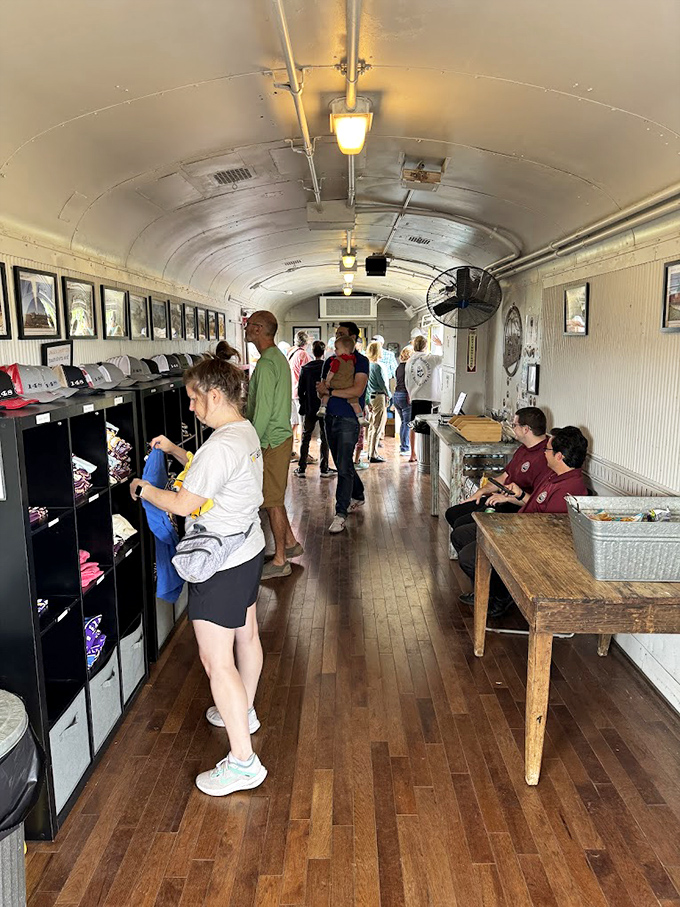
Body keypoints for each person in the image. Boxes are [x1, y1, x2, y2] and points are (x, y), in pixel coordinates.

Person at [129, 354, 267, 797]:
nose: (190, 407)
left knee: (215, 661)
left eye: (192, 399)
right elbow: (210, 473)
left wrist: (144, 489)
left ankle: (243, 762)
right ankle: (243, 711)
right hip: (246, 551)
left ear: (213, 394)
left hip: (218, 564)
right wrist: (173, 450)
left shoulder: (220, 445)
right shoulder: (241, 433)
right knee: (247, 636)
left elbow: (186, 503)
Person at [457, 426, 589, 617]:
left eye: (548, 450)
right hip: (519, 525)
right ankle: (490, 590)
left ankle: (500, 598)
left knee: (468, 557)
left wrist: (505, 529)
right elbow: (537, 504)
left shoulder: (569, 490)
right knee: (463, 535)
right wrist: (516, 497)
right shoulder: (555, 475)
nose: (545, 453)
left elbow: (544, 531)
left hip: (526, 541)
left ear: (559, 456)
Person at [245, 311, 302, 579]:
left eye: (248, 324)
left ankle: (280, 561)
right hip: (278, 437)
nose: (245, 327)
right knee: (274, 497)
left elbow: (263, 410)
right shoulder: (276, 357)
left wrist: (248, 444)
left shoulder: (267, 363)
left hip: (271, 440)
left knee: (272, 501)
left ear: (257, 329)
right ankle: (290, 544)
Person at [446, 407, 551, 551]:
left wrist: (507, 498)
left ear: (526, 429)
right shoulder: (523, 448)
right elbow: (504, 476)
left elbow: (535, 503)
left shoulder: (544, 458)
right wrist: (481, 491)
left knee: (460, 529)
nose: (512, 428)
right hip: (501, 497)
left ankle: (478, 560)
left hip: (515, 507)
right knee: (452, 514)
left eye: (514, 425)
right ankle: (474, 555)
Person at [316, 321, 369, 533]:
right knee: (341, 462)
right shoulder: (330, 361)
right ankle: (359, 493)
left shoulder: (361, 361)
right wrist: (326, 393)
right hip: (330, 416)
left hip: (348, 419)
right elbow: (322, 387)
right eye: (336, 334)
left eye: (342, 335)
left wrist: (331, 393)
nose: (337, 338)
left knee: (344, 463)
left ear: (354, 339)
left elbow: (356, 390)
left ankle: (340, 513)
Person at [294, 340, 336, 478]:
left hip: (310, 407)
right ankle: (324, 468)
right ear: (323, 352)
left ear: (312, 351)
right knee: (325, 437)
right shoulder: (328, 367)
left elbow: (300, 390)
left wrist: (304, 404)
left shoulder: (306, 368)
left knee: (306, 436)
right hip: (325, 406)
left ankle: (301, 468)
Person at [405, 334, 442, 458]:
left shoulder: (410, 361)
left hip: (415, 396)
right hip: (428, 397)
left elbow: (407, 380)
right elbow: (446, 358)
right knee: (427, 428)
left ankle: (412, 454)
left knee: (413, 425)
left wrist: (410, 394)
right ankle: (426, 456)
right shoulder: (430, 358)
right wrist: (441, 345)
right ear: (426, 346)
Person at [317, 335, 367, 425]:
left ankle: (323, 408)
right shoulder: (354, 360)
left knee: (326, 395)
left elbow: (331, 372)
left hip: (337, 388)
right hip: (346, 388)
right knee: (355, 403)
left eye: (337, 348)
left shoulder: (336, 360)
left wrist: (328, 383)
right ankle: (361, 417)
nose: (335, 350)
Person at [287, 331, 312, 459]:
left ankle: (290, 451)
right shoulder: (303, 354)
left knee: (293, 423)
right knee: (303, 424)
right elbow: (307, 374)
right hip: (299, 392)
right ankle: (304, 453)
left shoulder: (291, 352)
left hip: (290, 390)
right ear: (306, 342)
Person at [366, 340, 389, 463]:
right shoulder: (377, 366)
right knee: (378, 426)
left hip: (371, 397)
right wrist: (389, 395)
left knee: (372, 426)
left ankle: (370, 452)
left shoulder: (368, 365)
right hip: (379, 396)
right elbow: (383, 384)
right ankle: (373, 454)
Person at [393, 347, 413, 457]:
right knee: (407, 423)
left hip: (396, 395)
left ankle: (404, 446)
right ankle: (405, 448)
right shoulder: (408, 367)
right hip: (405, 396)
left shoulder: (399, 367)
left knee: (403, 423)